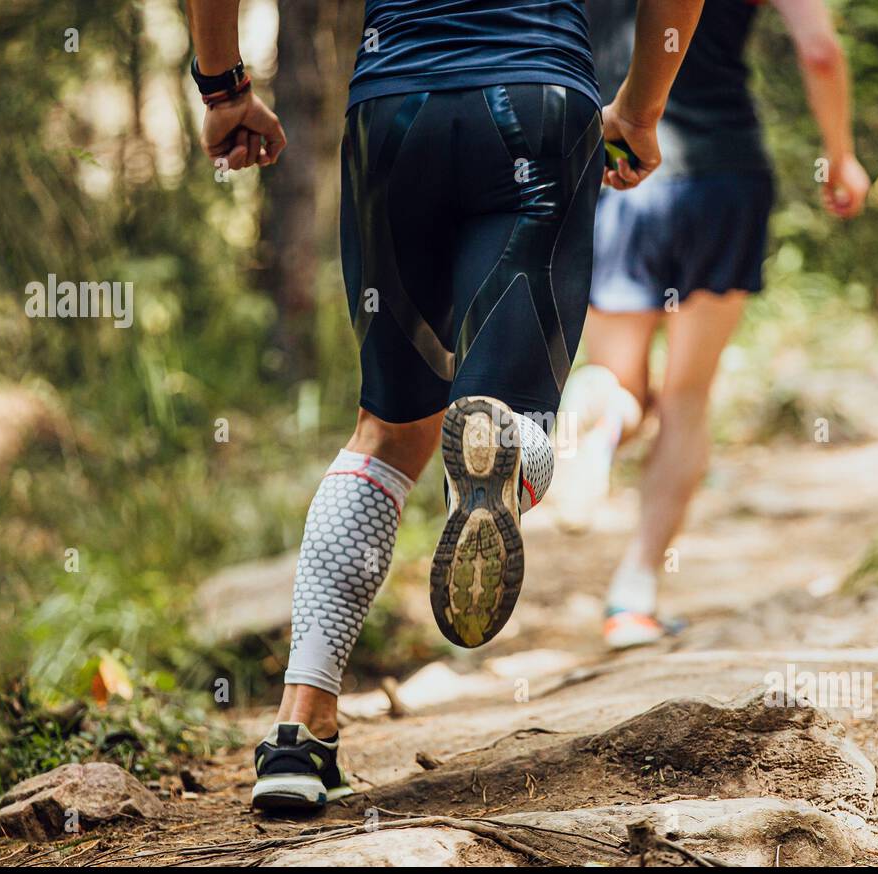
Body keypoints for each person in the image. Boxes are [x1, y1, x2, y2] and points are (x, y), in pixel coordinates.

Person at [183, 0, 706, 810]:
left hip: (395, 109)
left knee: (386, 434)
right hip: (539, 104)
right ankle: (505, 445)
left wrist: (222, 88)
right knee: (514, 410)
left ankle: (299, 731)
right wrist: (640, 106)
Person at [556, 0, 872, 649]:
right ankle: (634, 597)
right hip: (722, 175)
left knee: (623, 385)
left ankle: (602, 418)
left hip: (614, 167)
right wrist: (840, 156)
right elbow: (820, 51)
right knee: (686, 398)